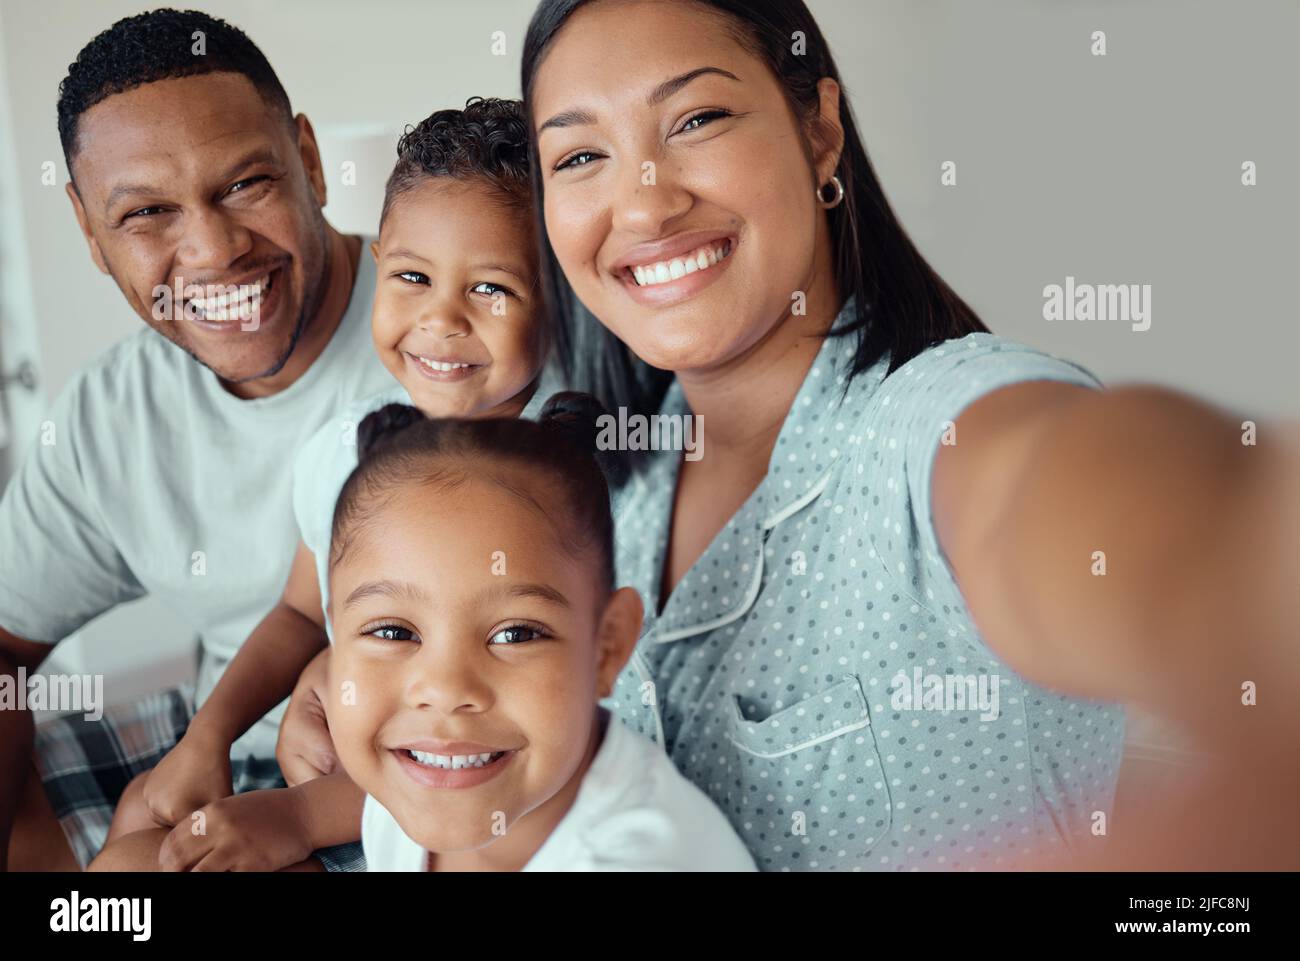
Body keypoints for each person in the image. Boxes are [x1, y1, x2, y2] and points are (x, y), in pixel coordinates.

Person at [90, 97, 562, 871]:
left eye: (490, 289)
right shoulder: (351, 445)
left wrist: (300, 816)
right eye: (414, 276)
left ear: (560, 300)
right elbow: (300, 611)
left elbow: (500, 741)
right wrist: (208, 735)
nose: (439, 320)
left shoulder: (554, 482)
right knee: (130, 844)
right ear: (381, 264)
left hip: (446, 811)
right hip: (326, 768)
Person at [0, 8, 394, 871]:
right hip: (215, 760)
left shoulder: (452, 343)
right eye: (146, 213)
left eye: (246, 183)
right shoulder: (108, 417)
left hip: (395, 779)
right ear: (88, 232)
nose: (213, 251)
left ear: (310, 160)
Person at [328, 396, 756, 870]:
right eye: (391, 632)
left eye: (515, 635)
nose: (446, 690)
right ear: (333, 632)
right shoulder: (415, 772)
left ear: (606, 649)